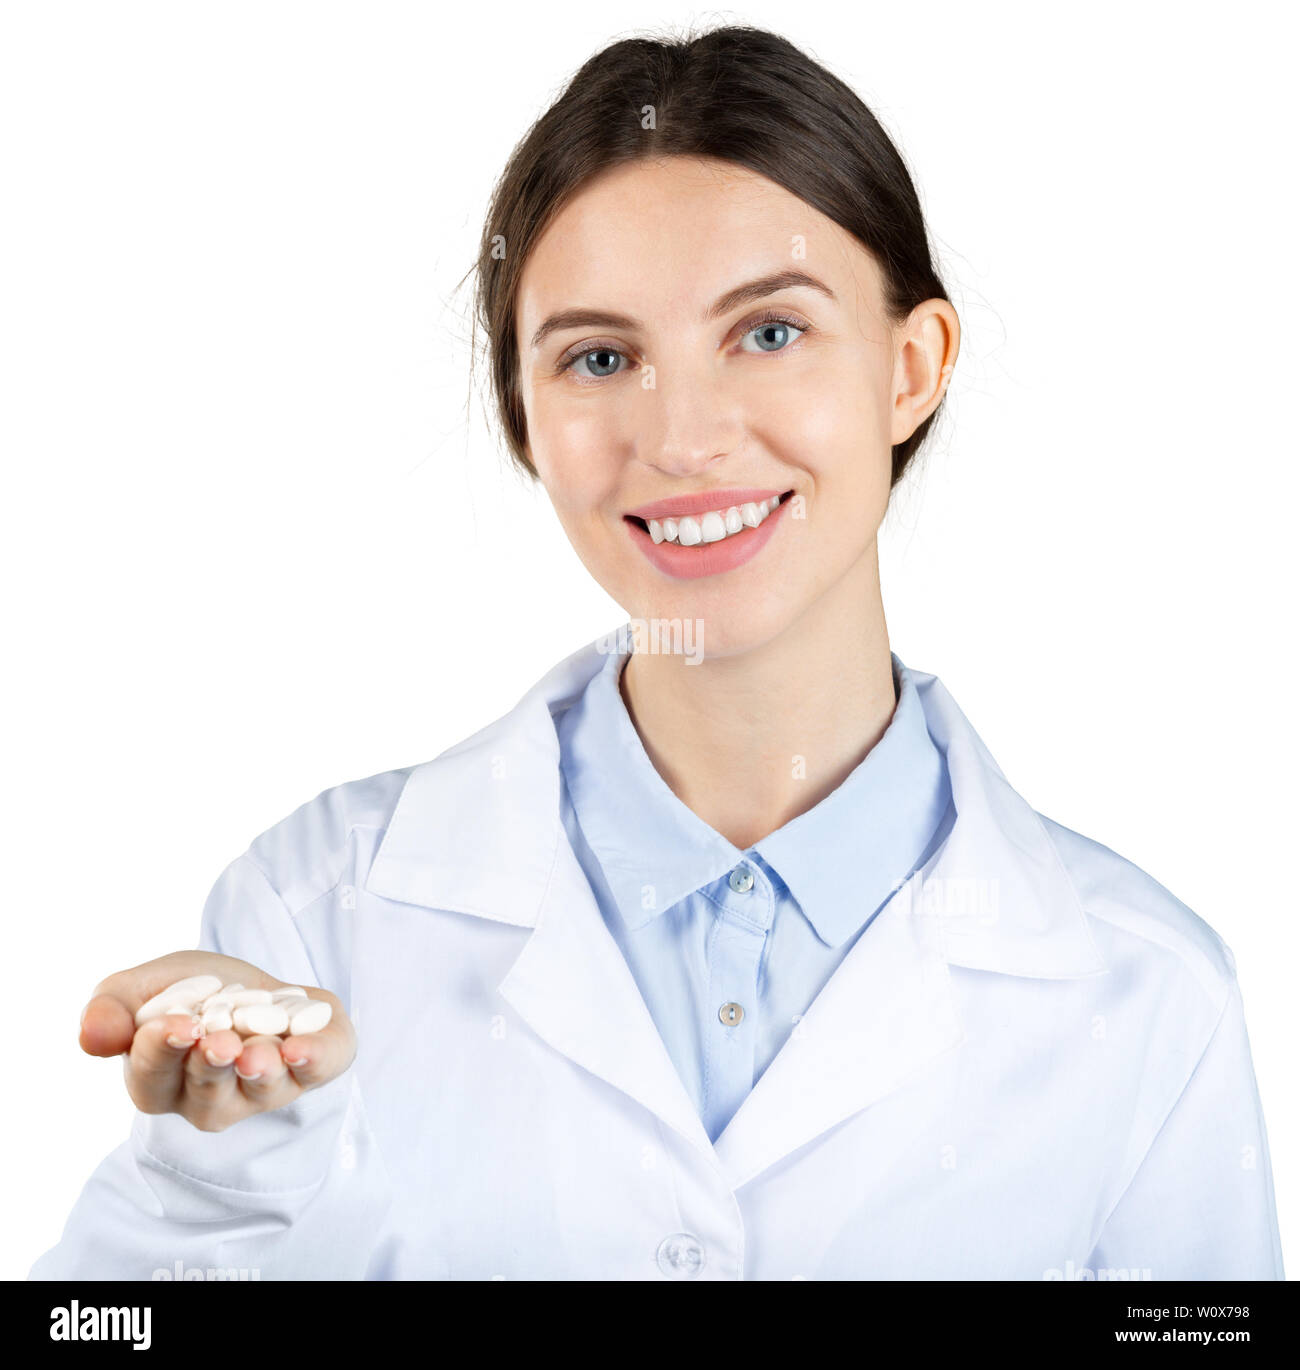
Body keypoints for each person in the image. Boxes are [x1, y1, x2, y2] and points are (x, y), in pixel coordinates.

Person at [31, 24, 1283, 1281]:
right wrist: (221, 1187)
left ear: (912, 368)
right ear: (527, 419)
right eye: (600, 357)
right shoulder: (315, 918)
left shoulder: (1148, 996)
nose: (681, 437)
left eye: (770, 332)